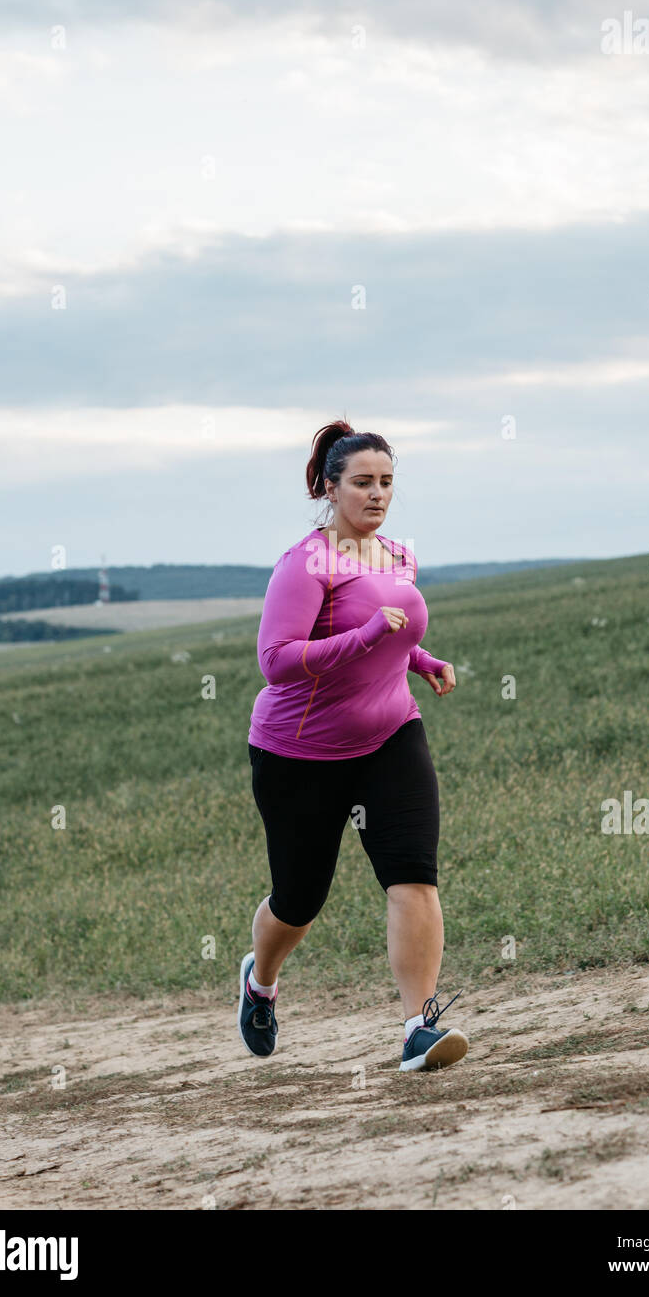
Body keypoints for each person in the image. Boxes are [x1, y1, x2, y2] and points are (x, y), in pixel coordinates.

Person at [240, 418, 468, 1072]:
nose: (377, 494)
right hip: (299, 755)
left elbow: (394, 633)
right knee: (299, 900)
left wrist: (422, 661)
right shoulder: (304, 564)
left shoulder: (398, 555)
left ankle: (416, 1030)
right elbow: (277, 661)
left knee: (413, 874)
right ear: (329, 489)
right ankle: (261, 980)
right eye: (363, 482)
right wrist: (366, 636)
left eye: (387, 482)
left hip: (391, 735)